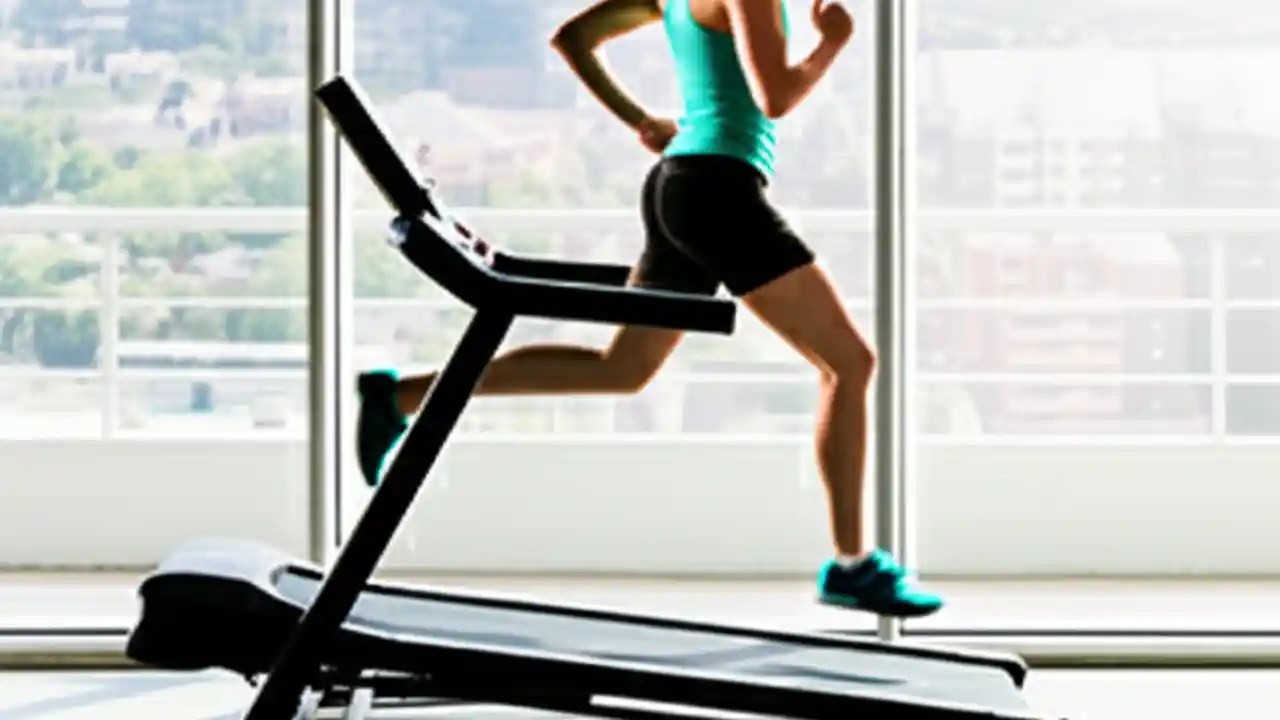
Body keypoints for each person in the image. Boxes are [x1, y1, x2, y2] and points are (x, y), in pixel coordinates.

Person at [355, 0, 944, 618]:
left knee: (622, 369)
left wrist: (642, 121)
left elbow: (574, 39)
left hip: (679, 183)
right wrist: (831, 45)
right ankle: (853, 567)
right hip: (719, 193)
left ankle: (399, 397)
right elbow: (774, 98)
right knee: (849, 364)